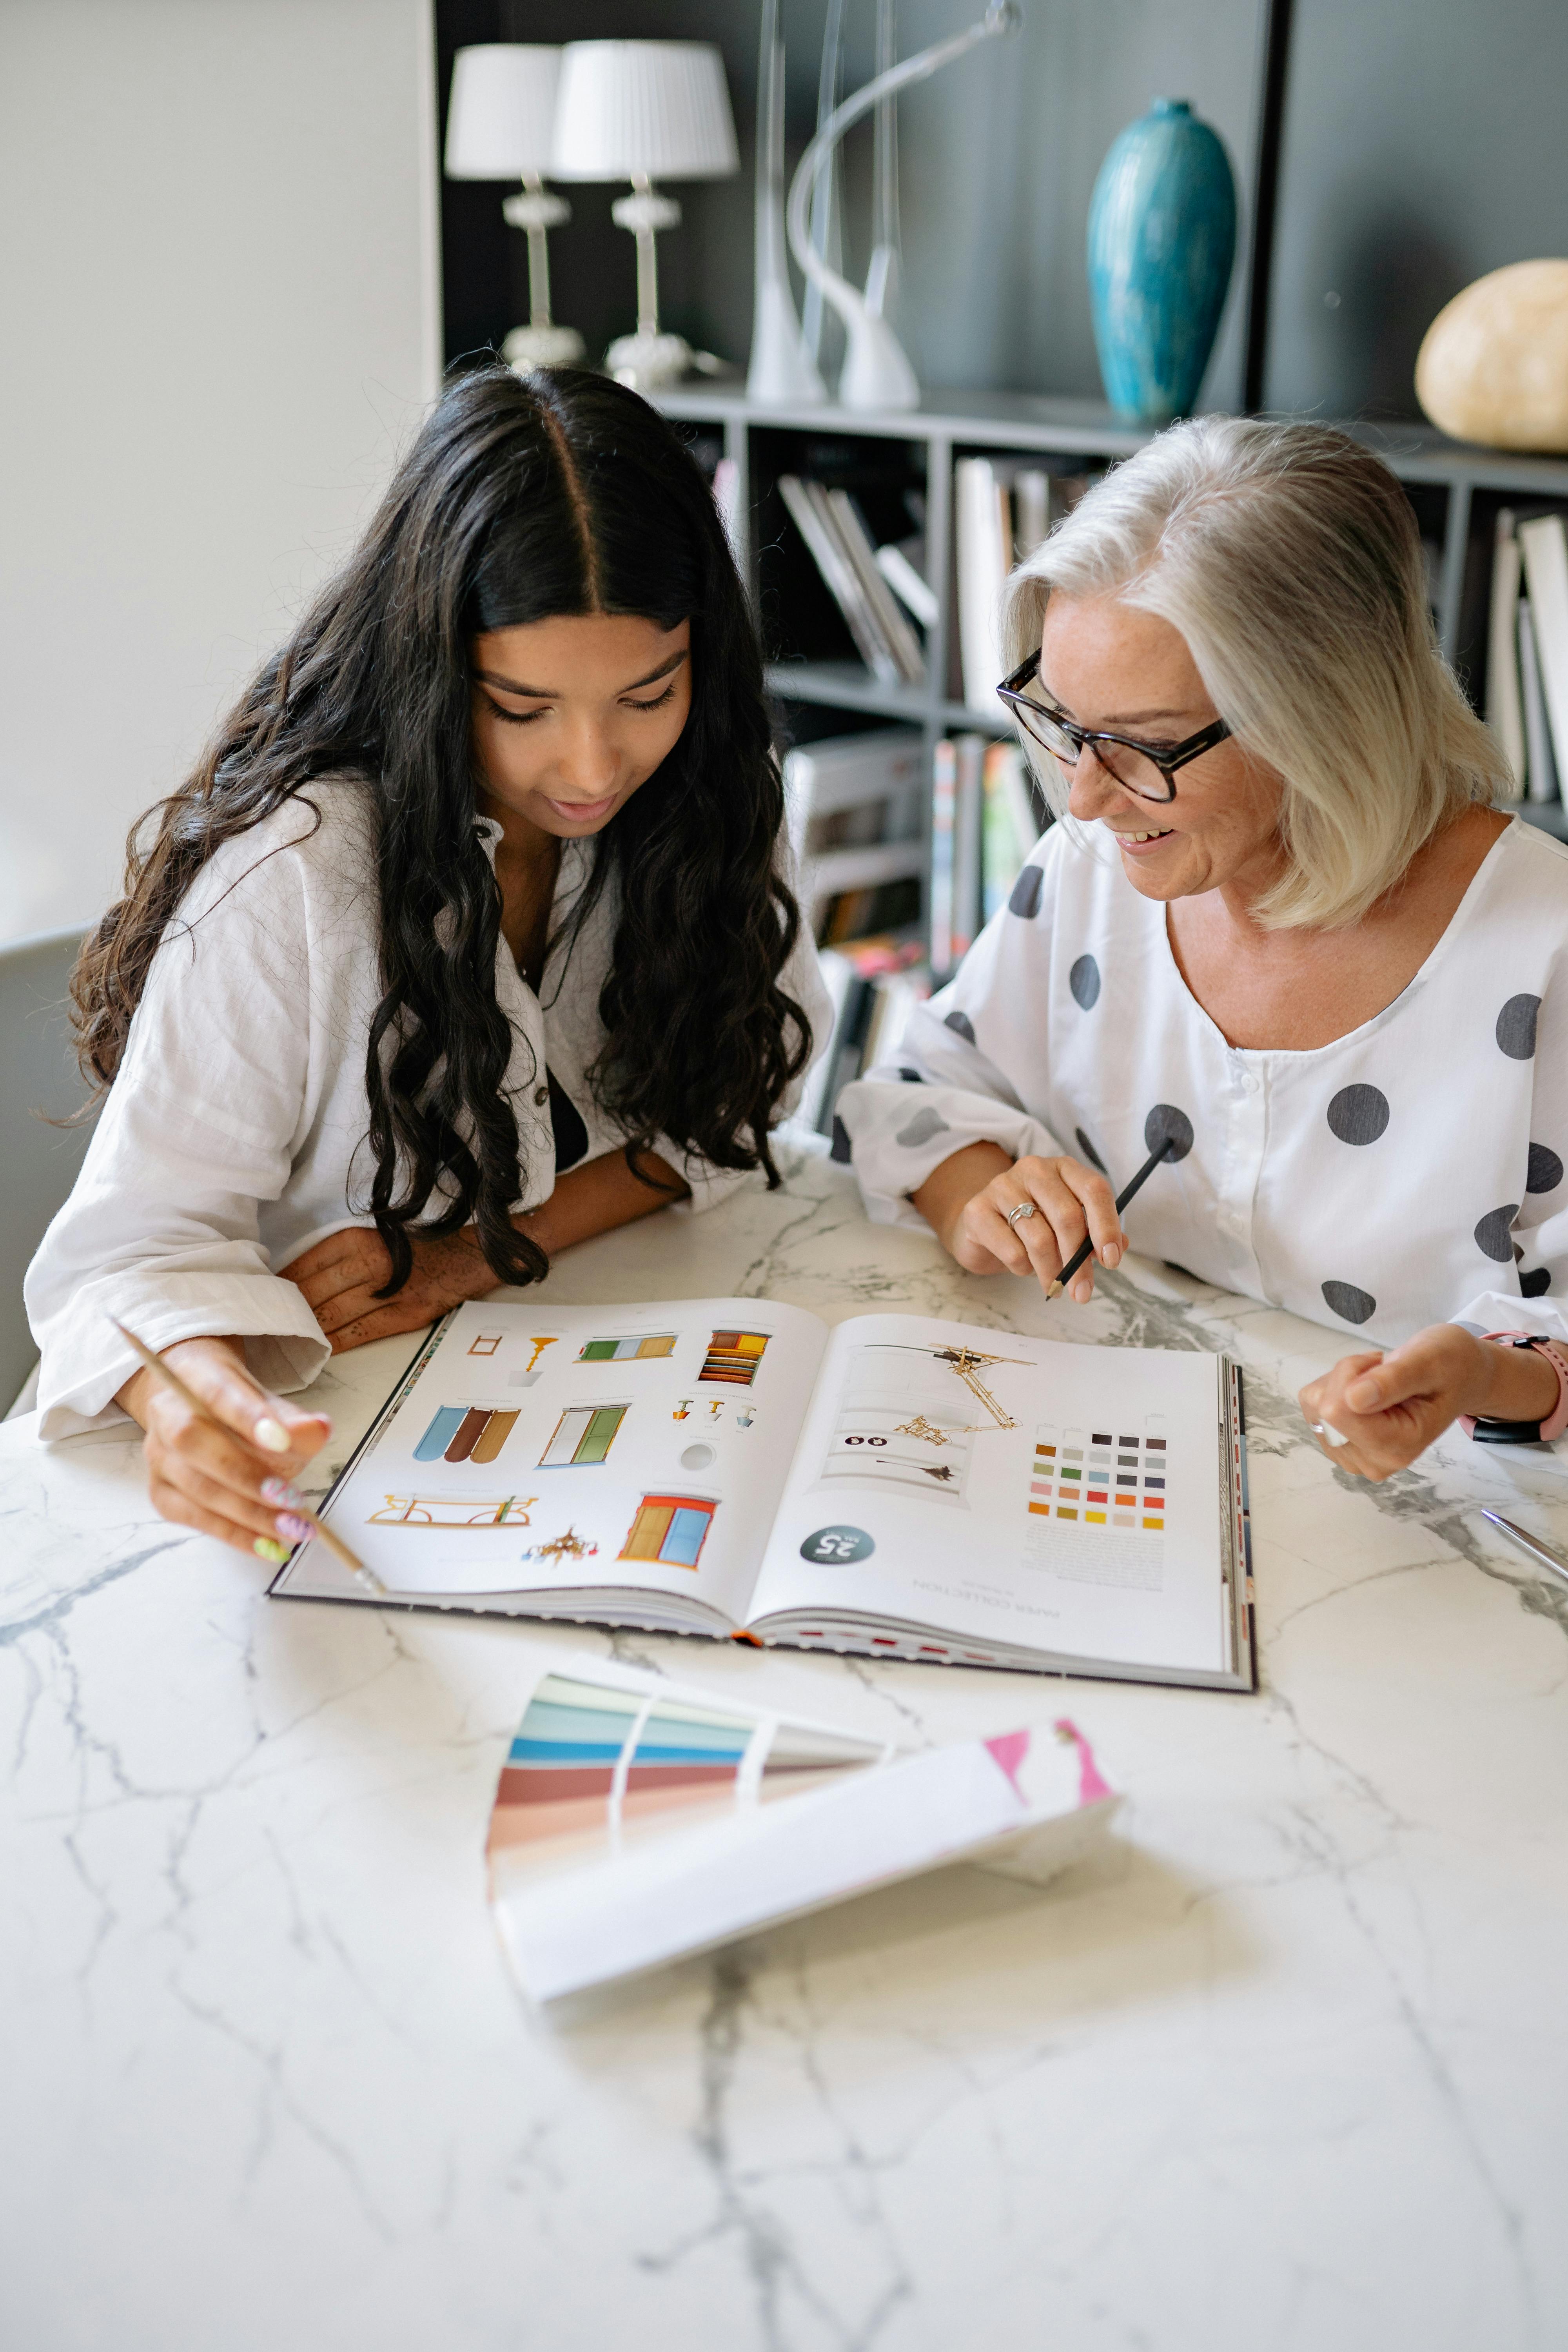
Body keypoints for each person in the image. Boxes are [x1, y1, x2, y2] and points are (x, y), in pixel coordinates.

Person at [27, 364, 828, 1554]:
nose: (596, 766)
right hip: (314, 1454)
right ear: (431, 663)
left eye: (646, 693)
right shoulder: (296, 870)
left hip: (542, 1394)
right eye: (523, 707)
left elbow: (738, 1101)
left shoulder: (703, 803)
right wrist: (189, 1397)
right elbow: (129, 1255)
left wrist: (479, 1255)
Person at [837, 416, 1568, 1482]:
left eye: (1140, 745)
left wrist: (1482, 1375)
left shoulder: (1543, 948)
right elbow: (920, 1085)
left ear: (1324, 713)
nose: (1084, 796)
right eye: (1067, 724)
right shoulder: (1091, 872)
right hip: (1097, 1453)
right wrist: (974, 1193)